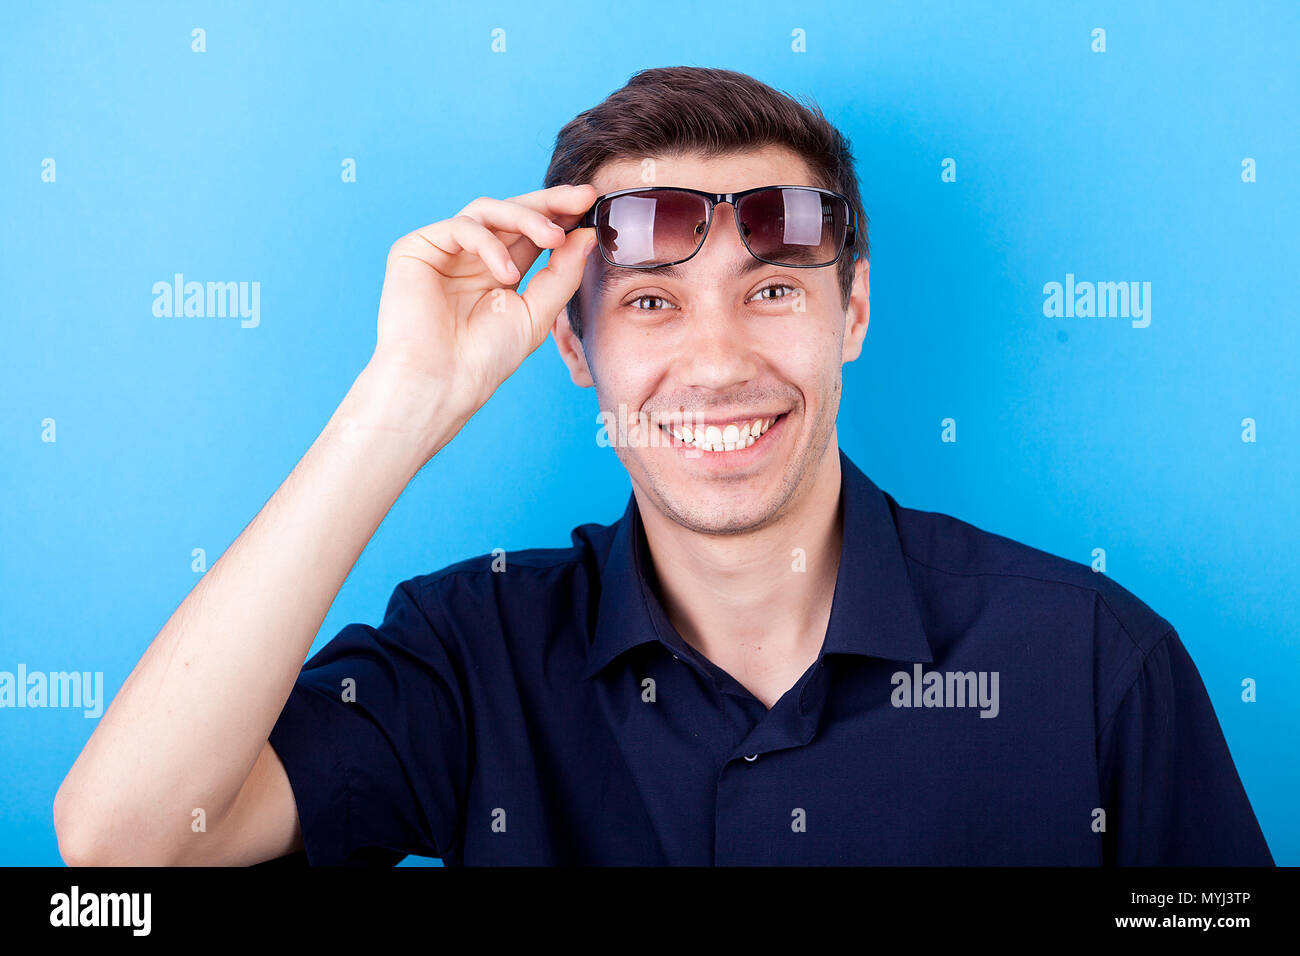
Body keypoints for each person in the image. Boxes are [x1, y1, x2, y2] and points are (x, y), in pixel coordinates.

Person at [53, 66, 1273, 866]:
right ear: (572, 344)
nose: (718, 359)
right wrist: (403, 402)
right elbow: (121, 848)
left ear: (851, 314)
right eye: (648, 302)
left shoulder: (1098, 663)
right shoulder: (472, 651)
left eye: (775, 287)